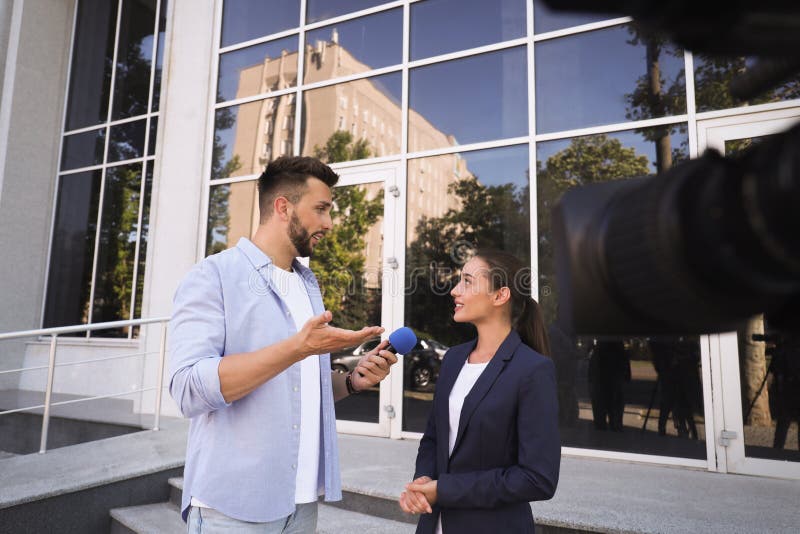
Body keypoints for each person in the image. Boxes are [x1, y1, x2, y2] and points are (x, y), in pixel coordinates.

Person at [169, 156, 397, 532]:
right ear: (282, 207)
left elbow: (298, 387)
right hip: (231, 511)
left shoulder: (308, 285)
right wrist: (297, 348)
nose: (329, 222)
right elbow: (188, 389)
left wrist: (353, 380)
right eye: (321, 209)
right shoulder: (213, 276)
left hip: (301, 504)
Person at [399, 250, 561, 534]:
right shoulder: (452, 359)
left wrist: (446, 490)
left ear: (500, 296)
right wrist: (423, 481)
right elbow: (434, 439)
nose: (454, 290)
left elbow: (538, 478)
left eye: (467, 281)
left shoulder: (533, 371)